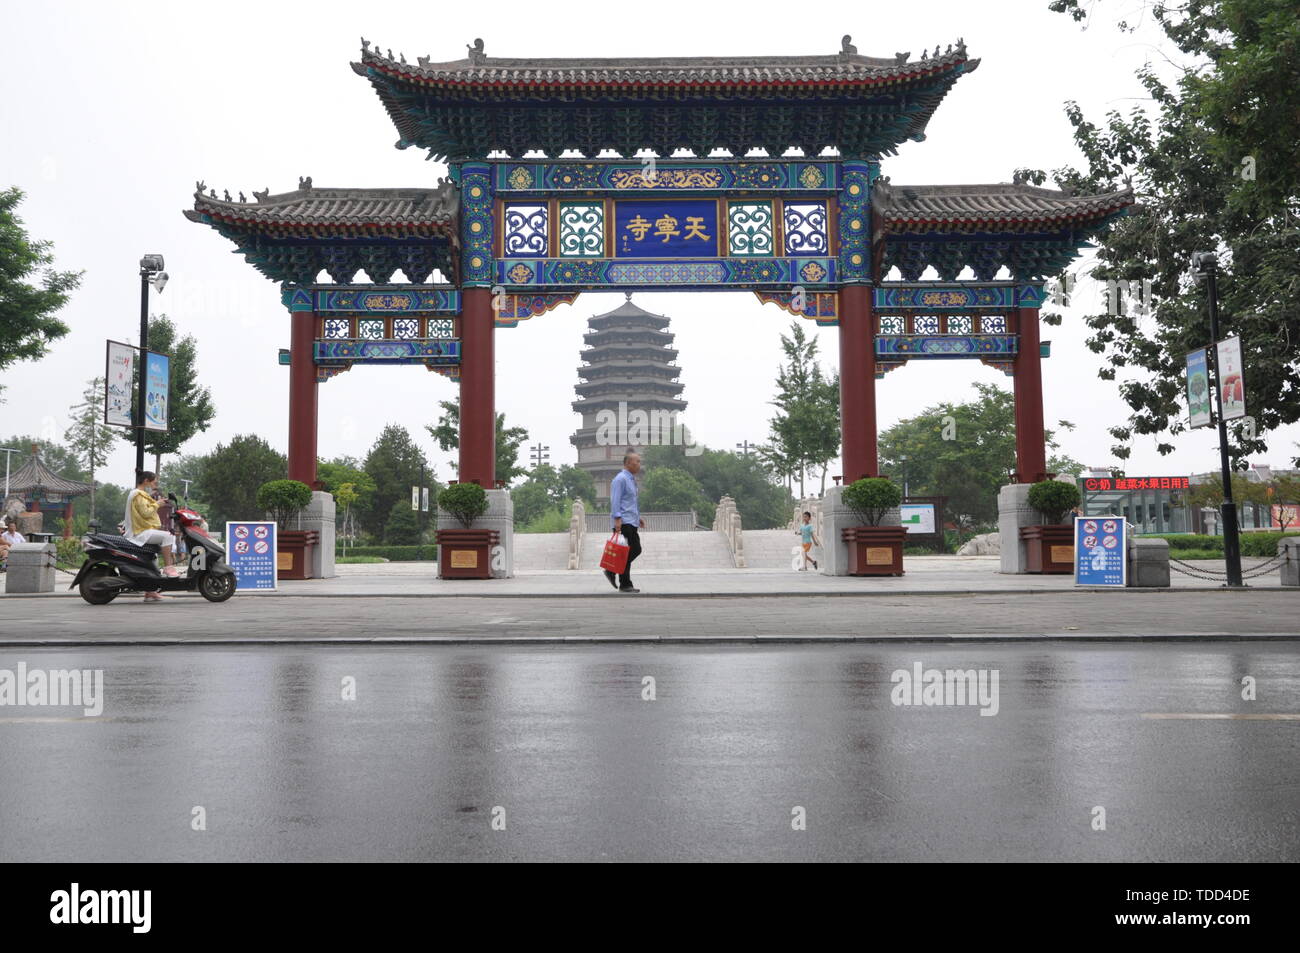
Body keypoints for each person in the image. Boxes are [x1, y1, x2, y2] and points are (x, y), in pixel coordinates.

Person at [125, 471, 179, 602]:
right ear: (146, 481)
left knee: (152, 560)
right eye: (154, 481)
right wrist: (157, 504)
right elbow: (145, 513)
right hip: (140, 532)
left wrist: (157, 503)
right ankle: (168, 568)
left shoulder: (138, 494)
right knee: (167, 537)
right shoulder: (138, 495)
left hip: (142, 530)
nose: (155, 483)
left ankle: (150, 591)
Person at [605, 450, 645, 593]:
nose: (639, 464)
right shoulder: (620, 479)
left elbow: (630, 502)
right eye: (637, 462)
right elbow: (615, 500)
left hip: (631, 520)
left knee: (633, 550)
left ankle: (613, 571)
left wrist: (638, 517)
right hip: (623, 521)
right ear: (628, 463)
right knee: (629, 550)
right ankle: (624, 583)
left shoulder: (631, 480)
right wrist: (617, 519)